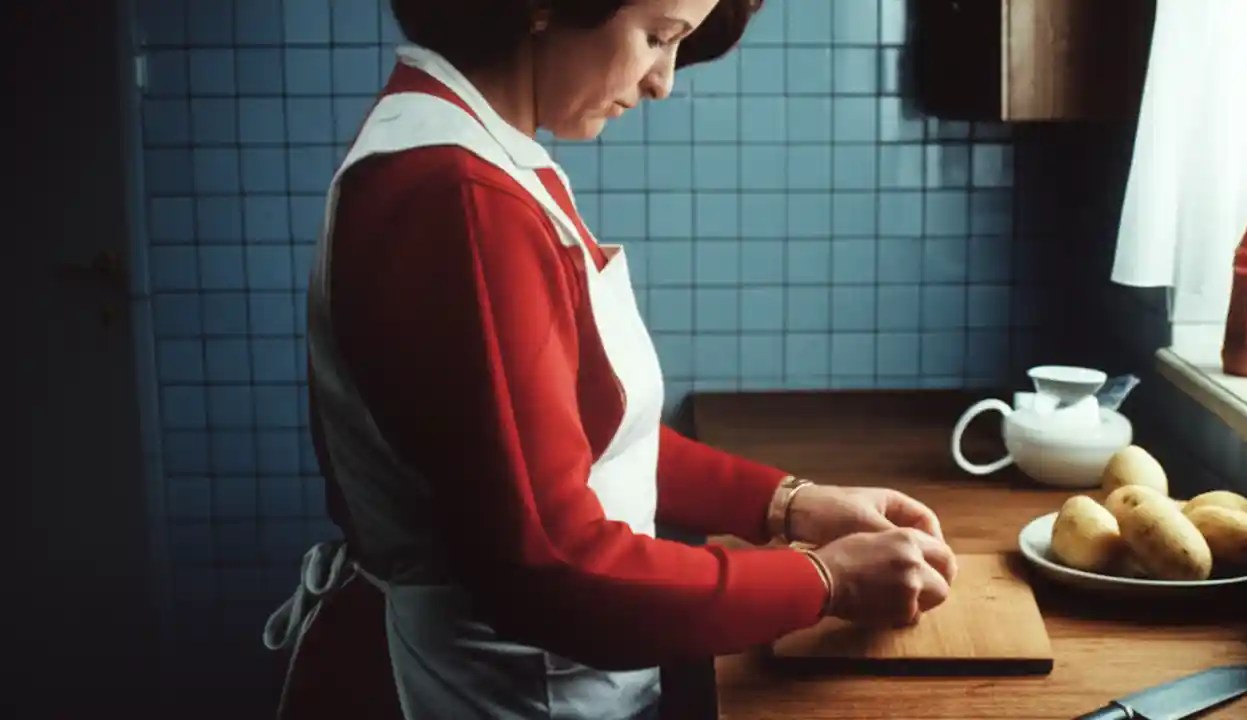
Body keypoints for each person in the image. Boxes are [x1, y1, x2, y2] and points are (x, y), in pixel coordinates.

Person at [263, 1, 959, 718]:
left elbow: (588, 437)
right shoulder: (461, 197)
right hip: (481, 694)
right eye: (658, 37)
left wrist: (790, 504)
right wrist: (823, 582)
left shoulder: (478, 152)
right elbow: (554, 568)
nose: (663, 81)